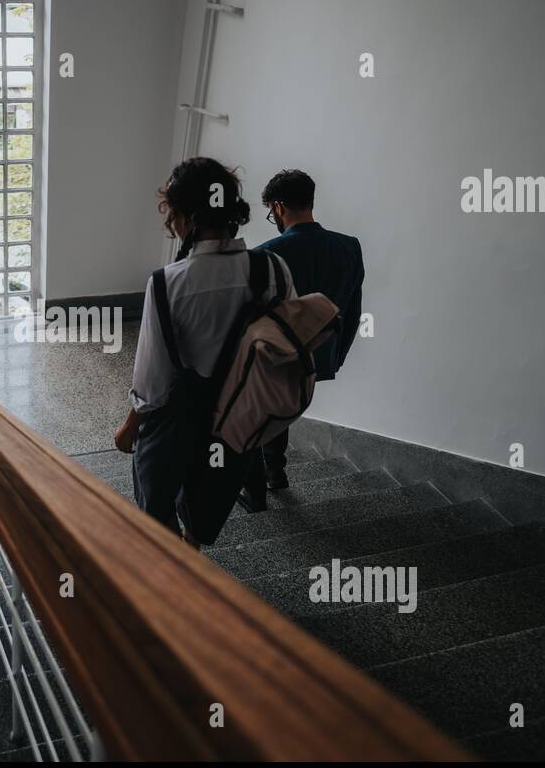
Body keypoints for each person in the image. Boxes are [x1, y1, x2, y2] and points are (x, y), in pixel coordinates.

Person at [115, 158, 293, 549]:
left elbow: (152, 380)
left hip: (176, 421)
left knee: (156, 504)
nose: (172, 224)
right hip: (238, 422)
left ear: (189, 219)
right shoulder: (273, 269)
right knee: (209, 499)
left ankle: (170, 563)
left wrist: (129, 428)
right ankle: (191, 549)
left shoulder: (168, 283)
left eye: (174, 215)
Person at [247, 169, 364, 496]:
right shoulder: (349, 247)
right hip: (322, 352)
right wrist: (335, 355)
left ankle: (263, 476)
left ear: (279, 207)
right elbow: (352, 309)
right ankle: (273, 471)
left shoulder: (265, 254)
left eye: (272, 212)